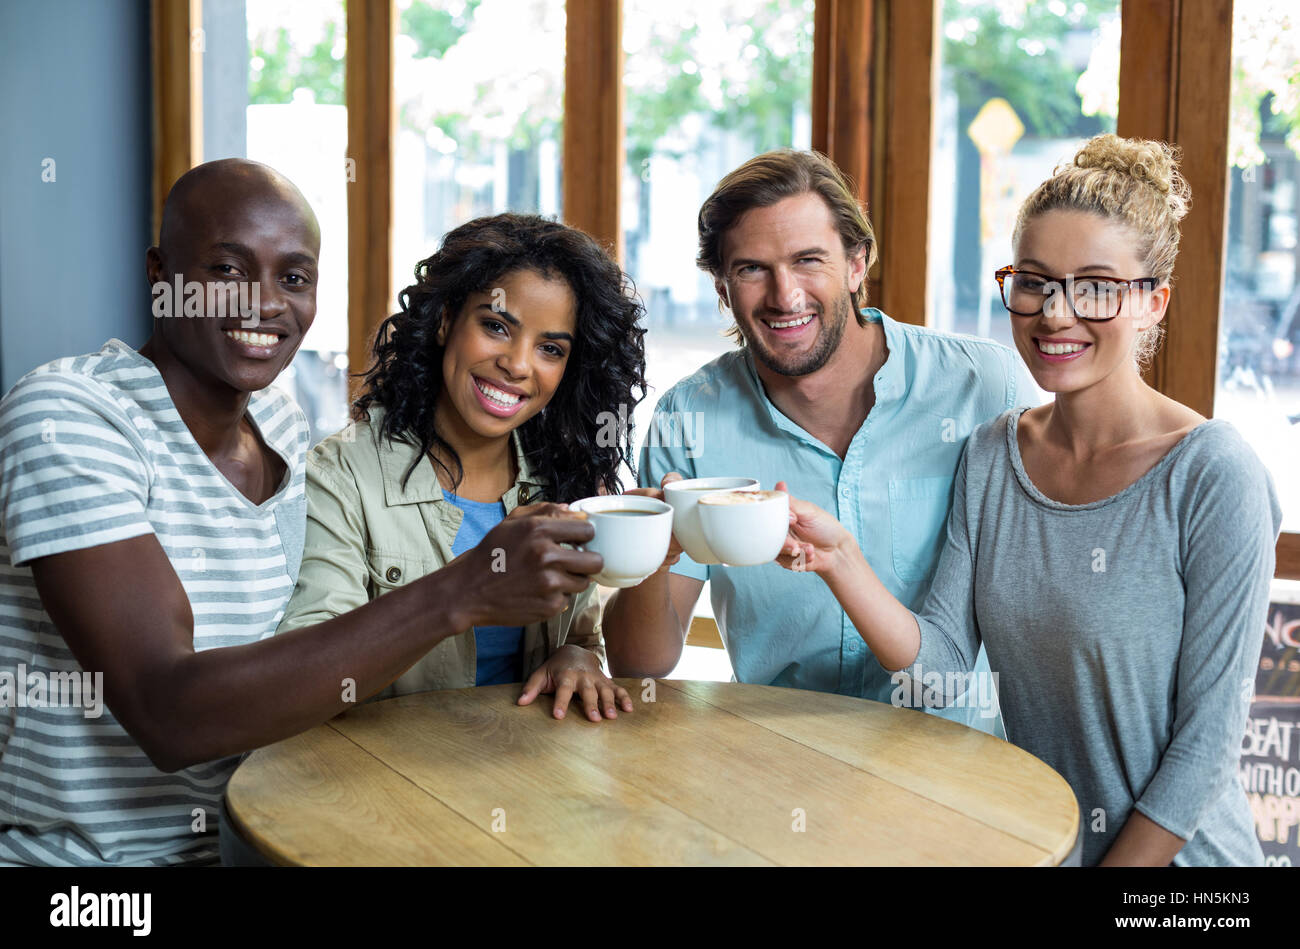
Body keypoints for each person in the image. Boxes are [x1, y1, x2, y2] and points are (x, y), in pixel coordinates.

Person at [0, 162, 601, 866]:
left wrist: (576, 638)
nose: (264, 304)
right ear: (160, 275)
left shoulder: (282, 427)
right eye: (227, 269)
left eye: (293, 278)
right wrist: (462, 592)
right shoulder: (72, 415)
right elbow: (168, 715)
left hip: (274, 840)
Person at [775, 135, 1282, 866]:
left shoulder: (1213, 474)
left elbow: (1205, 747)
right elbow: (941, 668)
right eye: (1036, 282)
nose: (1055, 313)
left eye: (1096, 287)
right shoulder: (992, 455)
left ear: (1153, 302)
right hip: (1047, 848)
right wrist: (840, 561)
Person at [603, 149, 1036, 734]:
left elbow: (1040, 606)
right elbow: (642, 666)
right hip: (781, 764)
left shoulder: (984, 387)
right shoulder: (689, 417)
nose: (785, 296)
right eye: (753, 268)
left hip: (954, 762)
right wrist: (656, 552)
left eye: (809, 260)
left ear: (857, 264)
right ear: (723, 288)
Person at [277, 213, 645, 721]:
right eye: (496, 326)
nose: (518, 364)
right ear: (447, 319)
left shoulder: (556, 478)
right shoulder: (340, 476)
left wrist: (577, 656)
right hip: (385, 781)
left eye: (550, 349)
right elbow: (305, 682)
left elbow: (582, 636)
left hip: (522, 772)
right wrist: (464, 588)